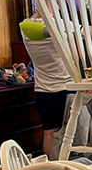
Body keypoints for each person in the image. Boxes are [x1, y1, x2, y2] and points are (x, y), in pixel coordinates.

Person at [20, 13, 72, 155]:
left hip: (42, 91)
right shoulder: (59, 24)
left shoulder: (25, 27)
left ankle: (50, 167)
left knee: (49, 132)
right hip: (64, 87)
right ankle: (67, 166)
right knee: (69, 133)